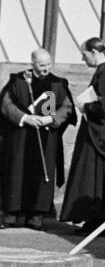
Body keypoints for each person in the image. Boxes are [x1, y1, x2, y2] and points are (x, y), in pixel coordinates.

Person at [1, 49, 76, 229]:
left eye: (49, 64)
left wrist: (50, 119)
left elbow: (67, 107)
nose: (46, 69)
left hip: (46, 137)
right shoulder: (18, 81)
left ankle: (36, 216)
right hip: (21, 138)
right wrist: (25, 118)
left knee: (43, 176)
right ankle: (12, 215)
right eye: (42, 65)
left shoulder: (57, 84)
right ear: (33, 63)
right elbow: (6, 104)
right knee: (17, 173)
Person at [59, 38, 105, 234]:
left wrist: (85, 106)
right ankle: (95, 221)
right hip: (95, 134)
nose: (82, 58)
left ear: (94, 52)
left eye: (85, 53)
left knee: (94, 176)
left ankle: (96, 221)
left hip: (99, 137)